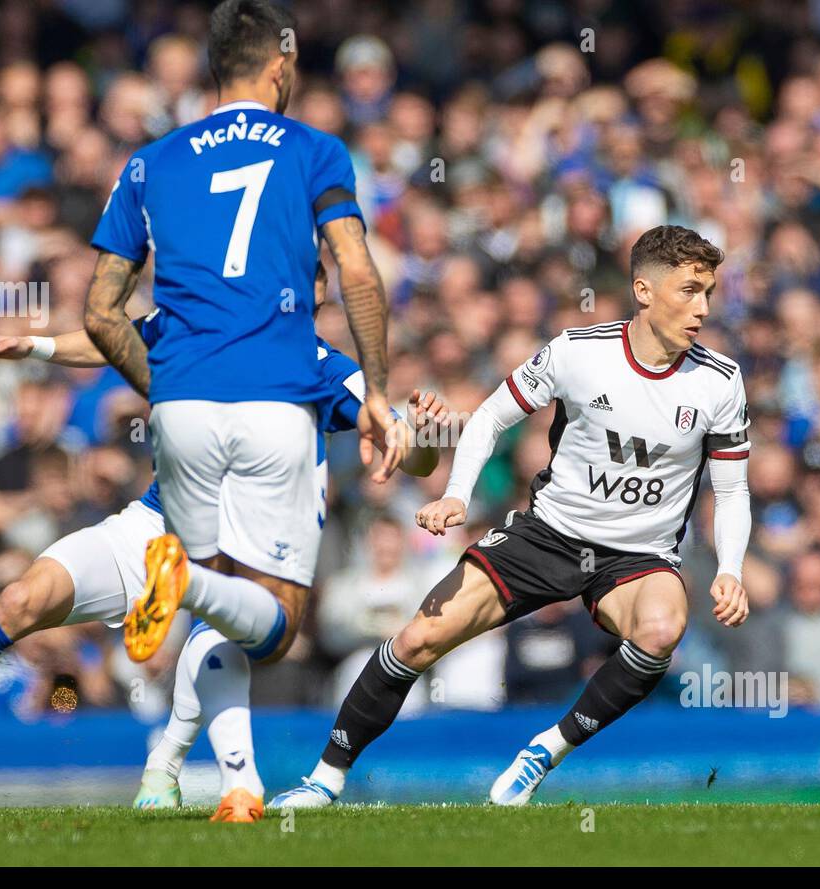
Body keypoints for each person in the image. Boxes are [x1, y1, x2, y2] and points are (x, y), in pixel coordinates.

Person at [0, 266, 445, 823]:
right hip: (153, 523)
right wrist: (33, 345)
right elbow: (111, 336)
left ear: (315, 292)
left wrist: (415, 434)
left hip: (245, 546)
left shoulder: (323, 368)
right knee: (21, 598)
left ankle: (218, 781)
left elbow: (407, 451)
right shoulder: (197, 322)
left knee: (214, 634)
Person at [271, 225, 753, 808]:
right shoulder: (578, 352)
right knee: (420, 638)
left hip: (639, 556)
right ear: (644, 291)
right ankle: (324, 779)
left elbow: (732, 488)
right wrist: (456, 495)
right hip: (547, 534)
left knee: (660, 631)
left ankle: (545, 750)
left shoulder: (721, 382)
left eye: (708, 293)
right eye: (689, 290)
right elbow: (489, 417)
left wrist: (730, 566)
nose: (702, 308)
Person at [81, 0, 393, 670]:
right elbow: (358, 273)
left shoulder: (151, 161)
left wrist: (162, 385)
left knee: (214, 594)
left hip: (182, 405)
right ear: (280, 67)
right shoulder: (314, 149)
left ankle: (198, 773)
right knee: (273, 623)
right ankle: (187, 597)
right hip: (276, 402)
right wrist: (380, 389)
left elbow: (101, 315)